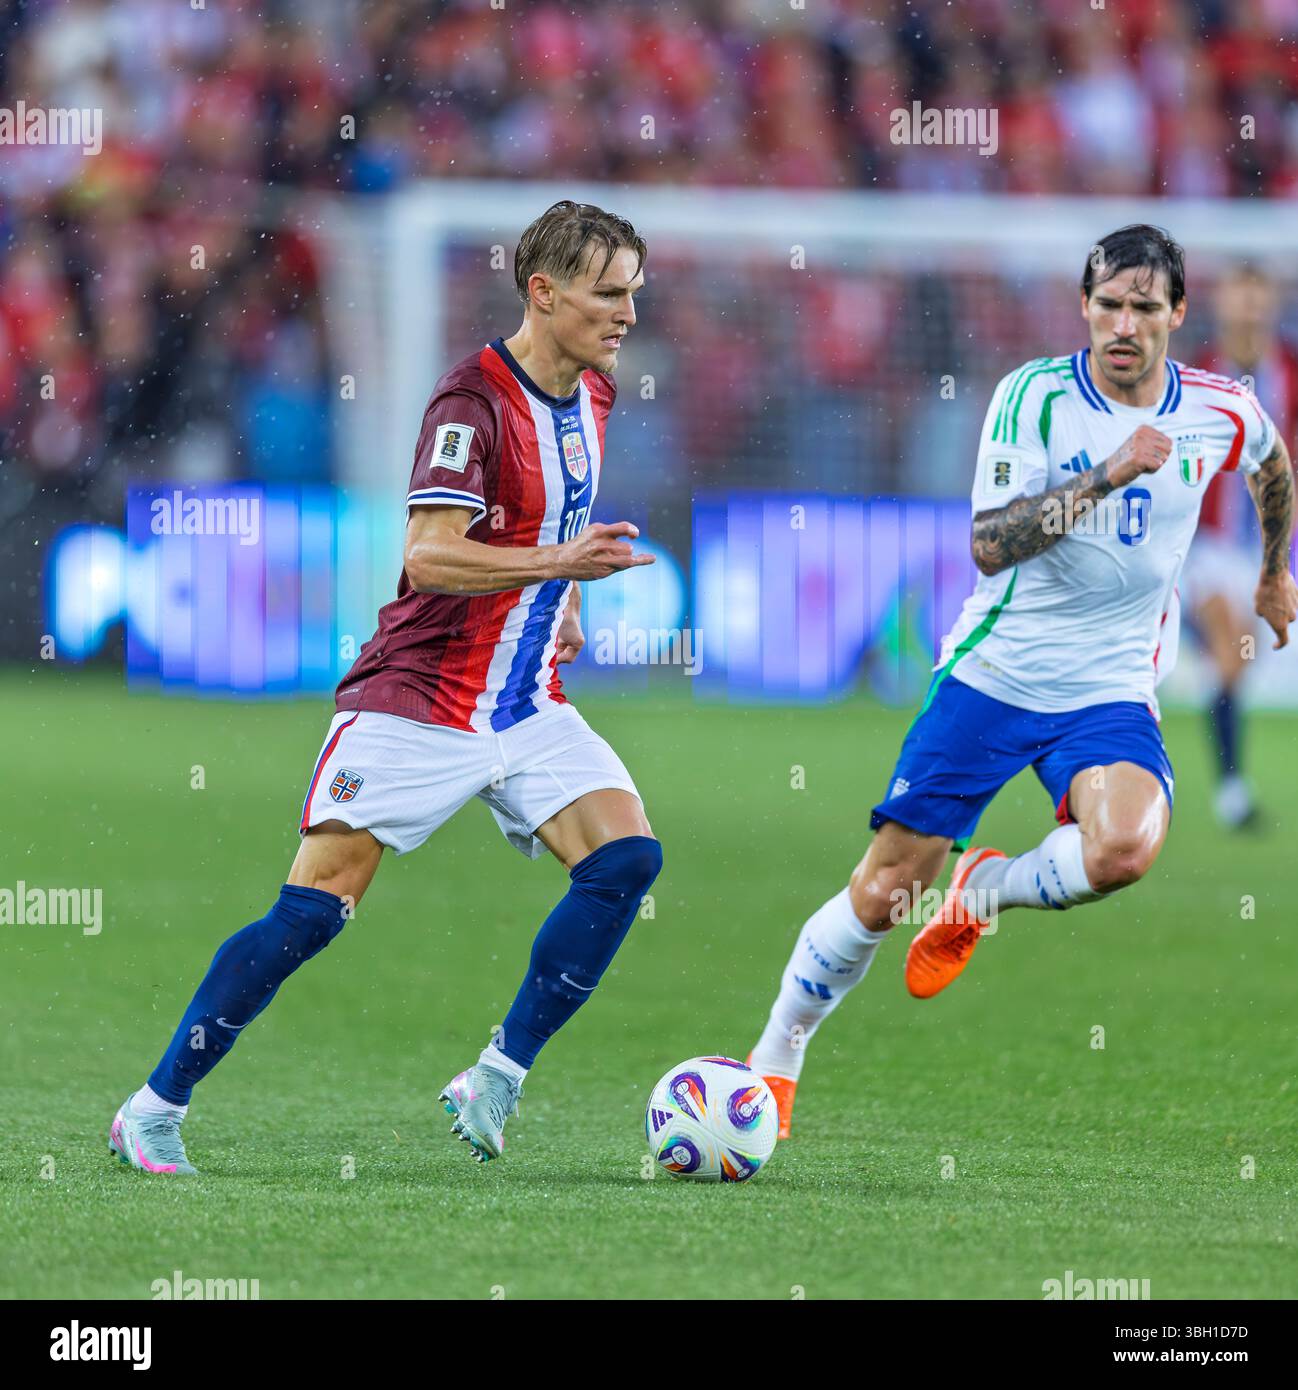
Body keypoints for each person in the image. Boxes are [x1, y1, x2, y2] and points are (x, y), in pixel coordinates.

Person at [110, 201, 662, 1172]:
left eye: (633, 293)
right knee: (312, 912)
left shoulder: (598, 387)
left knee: (626, 862)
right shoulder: (470, 406)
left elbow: (552, 519)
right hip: (420, 697)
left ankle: (495, 1075)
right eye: (608, 293)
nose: (626, 313)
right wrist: (557, 560)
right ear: (543, 291)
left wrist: (562, 599)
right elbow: (431, 553)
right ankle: (154, 1106)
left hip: (524, 697)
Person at [748, 225, 1296, 1139]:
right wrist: (1110, 472)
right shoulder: (1033, 398)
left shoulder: (1218, 406)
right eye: (1109, 305)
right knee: (886, 892)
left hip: (1111, 688)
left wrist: (1276, 570)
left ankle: (984, 891)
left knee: (1126, 848)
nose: (1124, 324)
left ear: (1177, 315)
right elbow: (989, 543)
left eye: (1145, 307)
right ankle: (776, 1055)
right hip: (996, 676)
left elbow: (1274, 465)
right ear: (1085, 306)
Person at [1183, 264, 1298, 826]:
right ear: (1225, 305)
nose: (1249, 312)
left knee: (1235, 669)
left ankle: (1226, 785)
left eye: (1259, 301)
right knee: (1231, 656)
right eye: (1240, 300)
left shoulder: (1290, 372)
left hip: (1264, 553)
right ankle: (1231, 796)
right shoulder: (1200, 371)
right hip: (1206, 548)